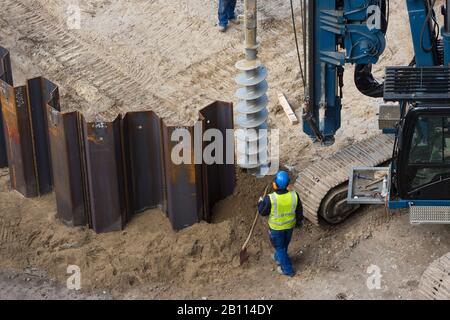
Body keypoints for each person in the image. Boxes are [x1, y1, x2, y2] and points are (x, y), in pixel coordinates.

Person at [257, 171, 303, 277]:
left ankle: (287, 270)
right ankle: (278, 258)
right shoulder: (294, 195)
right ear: (288, 185)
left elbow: (262, 212)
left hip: (276, 229)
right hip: (289, 227)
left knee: (280, 248)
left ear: (274, 185)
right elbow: (299, 210)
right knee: (284, 245)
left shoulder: (271, 198)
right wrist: (299, 222)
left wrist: (260, 203)